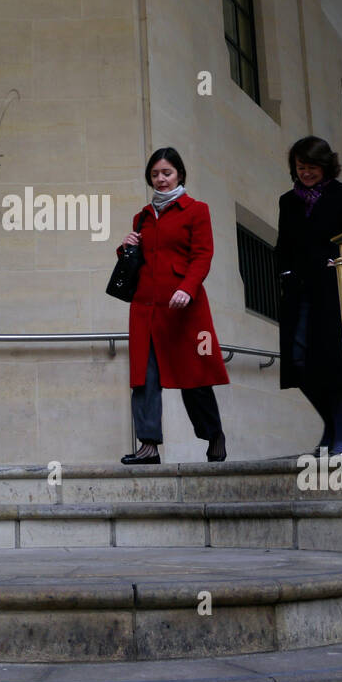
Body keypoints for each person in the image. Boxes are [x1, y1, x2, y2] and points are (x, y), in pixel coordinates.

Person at [118, 148, 229, 464]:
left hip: (184, 311)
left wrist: (187, 288)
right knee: (144, 379)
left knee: (195, 377)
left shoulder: (196, 210)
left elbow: (202, 255)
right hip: (146, 309)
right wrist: (124, 247)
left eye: (166, 173)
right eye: (155, 174)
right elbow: (137, 261)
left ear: (179, 173)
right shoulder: (142, 217)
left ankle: (214, 434)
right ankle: (148, 445)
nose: (160, 179)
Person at [275, 136, 342, 455]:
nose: (306, 173)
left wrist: (341, 262)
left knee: (334, 364)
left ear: (325, 165)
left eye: (312, 167)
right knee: (298, 363)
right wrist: (284, 272)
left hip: (333, 290)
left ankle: (341, 435)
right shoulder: (287, 201)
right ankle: (330, 424)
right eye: (300, 168)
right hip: (298, 291)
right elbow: (282, 243)